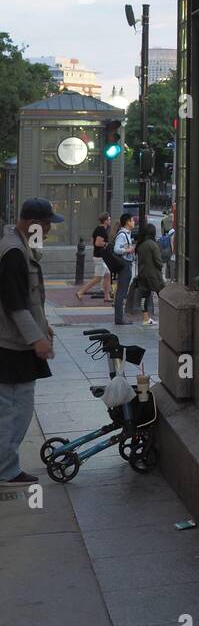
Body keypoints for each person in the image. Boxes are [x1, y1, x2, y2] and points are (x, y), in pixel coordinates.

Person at [0, 197, 62, 484]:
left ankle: (6, 466)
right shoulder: (13, 252)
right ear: (32, 223)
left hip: (15, 344)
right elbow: (14, 304)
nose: (48, 230)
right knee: (15, 410)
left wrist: (43, 326)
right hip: (10, 346)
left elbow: (30, 298)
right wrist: (37, 338)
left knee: (15, 408)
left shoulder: (21, 248)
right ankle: (5, 469)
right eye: (46, 224)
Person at [75, 212, 113, 304]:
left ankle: (106, 296)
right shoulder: (101, 230)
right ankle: (81, 292)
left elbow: (92, 240)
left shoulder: (98, 229)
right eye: (109, 219)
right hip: (100, 257)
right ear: (105, 221)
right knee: (97, 278)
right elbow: (97, 243)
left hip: (100, 256)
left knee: (107, 276)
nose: (110, 221)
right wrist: (107, 244)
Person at [134, 224, 164, 326]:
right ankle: (166, 316)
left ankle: (146, 318)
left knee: (144, 296)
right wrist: (161, 267)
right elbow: (158, 261)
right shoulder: (153, 244)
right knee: (163, 294)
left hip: (142, 274)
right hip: (154, 274)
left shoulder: (140, 245)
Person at [112, 213, 136, 325]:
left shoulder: (126, 233)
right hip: (125, 264)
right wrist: (128, 251)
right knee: (121, 292)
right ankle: (119, 318)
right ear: (127, 222)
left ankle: (119, 318)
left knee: (121, 291)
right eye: (132, 220)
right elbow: (117, 249)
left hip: (126, 264)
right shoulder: (122, 234)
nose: (134, 222)